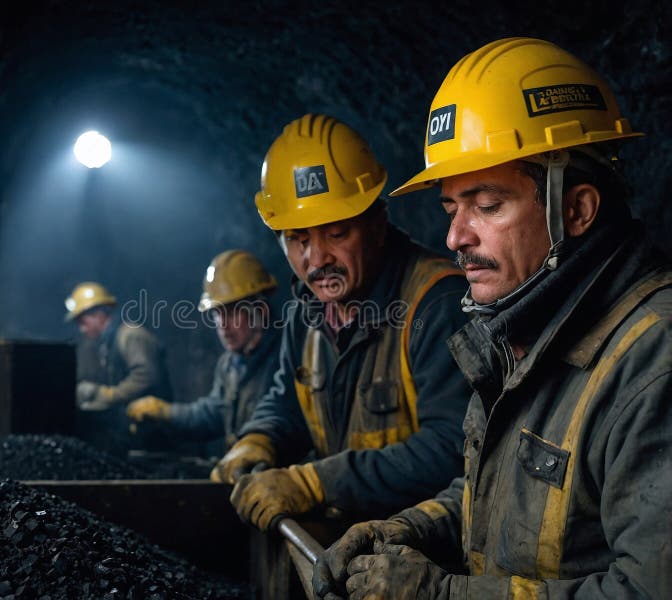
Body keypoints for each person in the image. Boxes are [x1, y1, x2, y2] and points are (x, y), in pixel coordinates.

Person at [314, 37, 672, 600]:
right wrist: (410, 528)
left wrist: (443, 595)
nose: (455, 237)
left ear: (575, 209)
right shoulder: (523, 329)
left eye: (487, 206)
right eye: (451, 209)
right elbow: (499, 490)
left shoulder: (654, 361)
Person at [213, 113, 471, 530]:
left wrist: (319, 482)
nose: (317, 260)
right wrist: (259, 437)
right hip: (342, 543)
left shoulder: (437, 302)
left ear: (376, 225)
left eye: (336, 233)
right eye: (298, 240)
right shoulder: (306, 312)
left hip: (420, 551)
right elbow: (288, 401)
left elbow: (453, 447)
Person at [125, 249, 282, 451]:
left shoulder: (284, 358)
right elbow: (213, 415)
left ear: (260, 310)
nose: (223, 324)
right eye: (217, 313)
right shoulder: (229, 364)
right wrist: (166, 412)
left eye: (232, 312)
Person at [65, 281, 174, 454]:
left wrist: (107, 395)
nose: (82, 329)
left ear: (99, 315)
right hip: (136, 429)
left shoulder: (131, 335)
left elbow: (146, 376)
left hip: (155, 429)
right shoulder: (108, 342)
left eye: (83, 322)